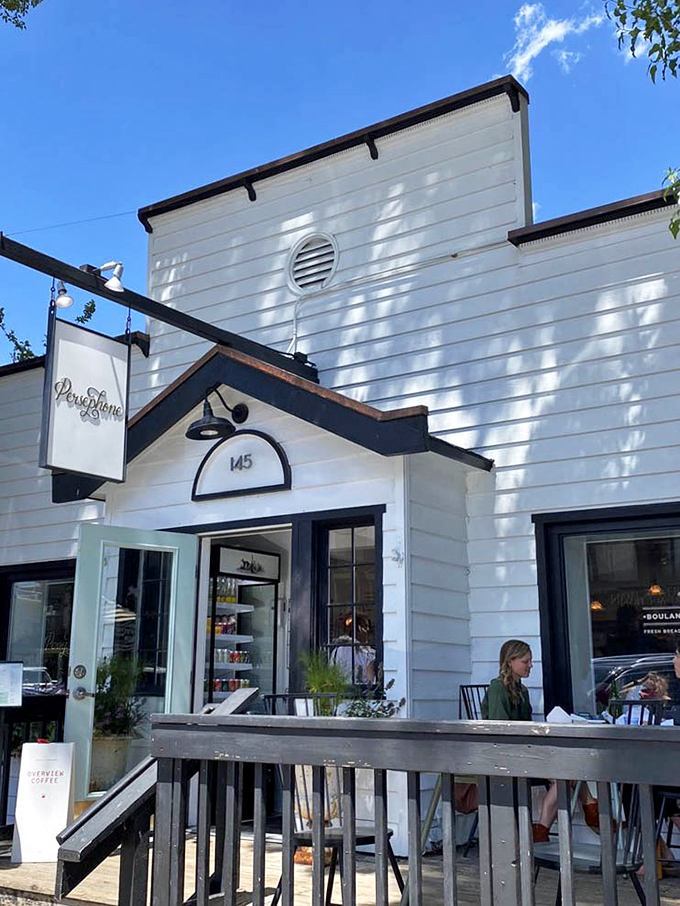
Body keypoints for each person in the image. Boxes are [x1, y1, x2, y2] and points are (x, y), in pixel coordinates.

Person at [482, 639, 599, 843]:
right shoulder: (497, 688)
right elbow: (500, 728)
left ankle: (542, 829)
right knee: (567, 773)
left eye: (530, 661)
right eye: (525, 661)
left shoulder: (522, 690)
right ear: (510, 662)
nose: (530, 666)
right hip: (506, 754)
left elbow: (525, 725)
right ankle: (586, 807)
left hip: (524, 750)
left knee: (568, 771)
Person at [330, 613, 375, 684]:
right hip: (360, 693)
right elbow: (371, 681)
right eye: (366, 627)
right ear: (360, 629)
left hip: (339, 692)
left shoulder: (336, 651)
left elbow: (331, 676)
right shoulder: (366, 653)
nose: (368, 632)